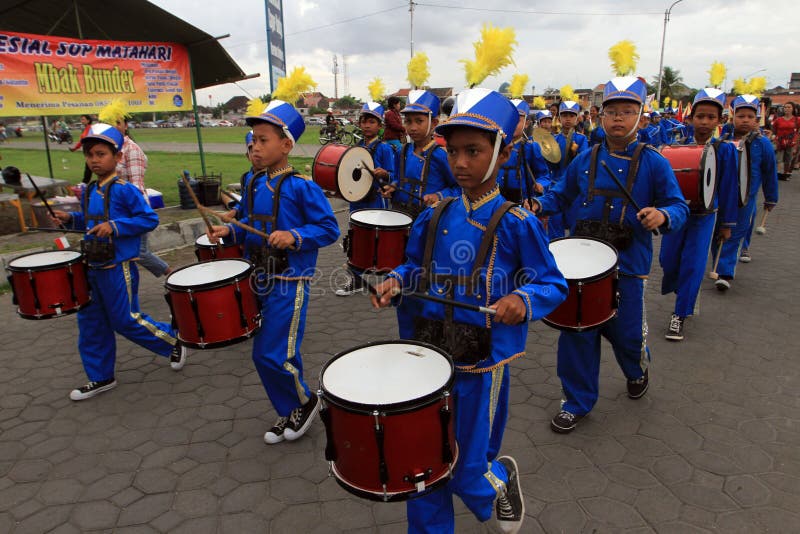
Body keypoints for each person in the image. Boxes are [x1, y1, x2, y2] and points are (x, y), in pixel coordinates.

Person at [372, 87, 568, 534]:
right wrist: (397, 281)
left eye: (474, 151)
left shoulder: (519, 223)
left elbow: (552, 282)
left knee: (465, 468)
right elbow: (412, 265)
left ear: (502, 156)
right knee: (423, 464)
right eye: (454, 151)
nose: (460, 162)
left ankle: (499, 478)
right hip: (427, 354)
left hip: (482, 361)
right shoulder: (433, 215)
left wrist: (524, 300)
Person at [531, 76, 689, 433]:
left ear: (641, 116)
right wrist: (538, 204)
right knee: (577, 333)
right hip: (581, 265)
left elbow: (678, 205)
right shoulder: (585, 159)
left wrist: (663, 215)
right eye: (612, 112)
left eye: (627, 112)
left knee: (628, 335)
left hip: (628, 265)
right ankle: (576, 401)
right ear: (601, 117)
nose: (618, 118)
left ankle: (636, 368)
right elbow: (560, 195)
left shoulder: (654, 162)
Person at [207, 99, 340, 444]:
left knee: (270, 352)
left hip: (290, 280)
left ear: (286, 145)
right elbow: (251, 224)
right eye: (253, 138)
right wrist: (231, 231)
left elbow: (328, 228)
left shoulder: (301, 186)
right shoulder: (253, 183)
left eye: (264, 139)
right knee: (274, 351)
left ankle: (305, 402)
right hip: (259, 277)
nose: (255, 145)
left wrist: (295, 236)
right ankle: (290, 408)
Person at [49, 123, 186, 401]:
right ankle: (100, 376)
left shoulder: (125, 190)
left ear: (118, 158)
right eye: (90, 155)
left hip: (119, 267)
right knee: (91, 323)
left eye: (101, 154)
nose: (95, 160)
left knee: (126, 319)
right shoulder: (88, 191)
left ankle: (173, 342)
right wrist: (69, 219)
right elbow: (89, 223)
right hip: (92, 267)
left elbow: (149, 219)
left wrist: (115, 226)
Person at [659, 88, 738, 340]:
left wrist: (727, 223)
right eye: (700, 116)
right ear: (691, 118)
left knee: (693, 265)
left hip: (705, 215)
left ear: (719, 120)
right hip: (677, 213)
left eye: (711, 117)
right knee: (668, 260)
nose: (704, 122)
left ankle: (680, 313)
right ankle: (685, 291)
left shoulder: (724, 150)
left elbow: (727, 188)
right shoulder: (677, 147)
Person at [379, 89, 457, 337]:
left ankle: (431, 335)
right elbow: (399, 180)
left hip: (431, 228)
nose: (412, 127)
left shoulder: (442, 155)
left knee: (426, 280)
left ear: (434, 122)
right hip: (403, 225)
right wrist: (392, 187)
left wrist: (440, 196)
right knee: (405, 282)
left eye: (418, 121)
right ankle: (408, 337)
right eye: (408, 120)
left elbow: (458, 186)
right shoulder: (401, 151)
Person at [99, 102, 172, 278]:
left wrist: (135, 219)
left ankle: (172, 275)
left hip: (134, 211)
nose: (114, 127)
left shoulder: (131, 150)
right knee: (126, 254)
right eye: (110, 123)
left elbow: (137, 186)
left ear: (125, 125)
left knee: (139, 252)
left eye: (118, 123)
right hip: (115, 211)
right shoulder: (108, 150)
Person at [713, 94, 778, 282]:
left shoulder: (762, 143)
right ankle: (717, 263)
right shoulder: (722, 139)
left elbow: (769, 172)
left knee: (736, 232)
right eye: (741, 116)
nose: (745, 120)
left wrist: (771, 198)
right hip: (722, 195)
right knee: (719, 230)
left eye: (750, 117)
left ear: (756, 119)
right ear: (733, 117)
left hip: (746, 198)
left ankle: (725, 272)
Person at [335, 101, 396, 296]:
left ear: (380, 126)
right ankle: (357, 279)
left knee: (380, 240)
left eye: (372, 122)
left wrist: (384, 174)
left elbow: (394, 175)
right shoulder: (356, 148)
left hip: (377, 200)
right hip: (357, 201)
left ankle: (390, 280)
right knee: (356, 239)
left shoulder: (385, 149)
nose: (367, 125)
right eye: (364, 121)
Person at [497, 98, 551, 206]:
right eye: (509, 119)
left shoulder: (531, 147)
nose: (512, 124)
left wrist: (540, 184)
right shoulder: (497, 145)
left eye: (517, 120)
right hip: (498, 200)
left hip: (522, 202)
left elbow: (543, 174)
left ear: (526, 123)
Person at [548, 100, 590, 239]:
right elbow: (550, 165)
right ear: (559, 117)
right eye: (564, 115)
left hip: (574, 187)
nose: (568, 119)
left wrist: (574, 153)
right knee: (555, 223)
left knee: (575, 223)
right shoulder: (553, 139)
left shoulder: (581, 139)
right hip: (556, 185)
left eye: (571, 116)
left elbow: (583, 162)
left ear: (577, 118)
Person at [771, 101, 798, 180]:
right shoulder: (778, 120)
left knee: (788, 159)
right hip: (779, 142)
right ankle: (778, 173)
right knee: (778, 158)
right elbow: (774, 130)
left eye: (789, 107)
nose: (787, 109)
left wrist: (796, 142)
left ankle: (786, 173)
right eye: (785, 107)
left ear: (793, 109)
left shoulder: (797, 120)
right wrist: (774, 137)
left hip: (791, 142)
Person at [69, 114, 95, 183]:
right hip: (86, 151)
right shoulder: (85, 129)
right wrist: (75, 148)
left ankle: (85, 182)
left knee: (89, 167)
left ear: (88, 120)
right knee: (89, 167)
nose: (82, 121)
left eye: (83, 119)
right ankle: (85, 182)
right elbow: (81, 141)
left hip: (90, 151)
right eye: (81, 119)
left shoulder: (91, 128)